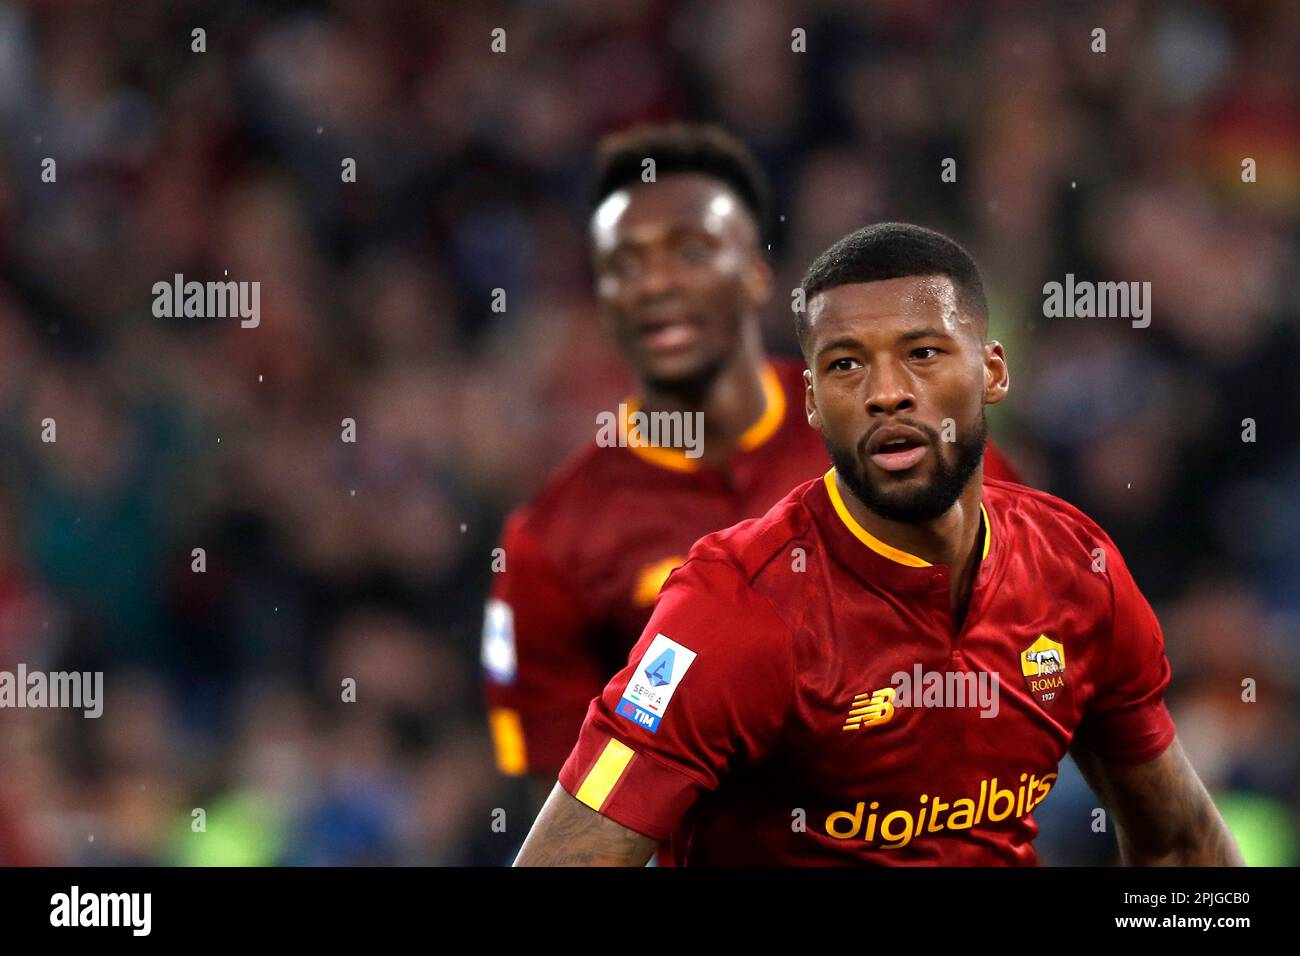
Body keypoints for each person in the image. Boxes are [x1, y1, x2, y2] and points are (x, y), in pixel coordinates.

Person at [514, 222, 1243, 866]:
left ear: (992, 370)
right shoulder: (733, 610)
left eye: (922, 353)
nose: (885, 391)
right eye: (845, 364)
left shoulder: (1076, 571)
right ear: (811, 402)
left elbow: (1179, 849)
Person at [482, 127, 1024, 802]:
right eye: (627, 264)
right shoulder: (550, 542)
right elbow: (569, 806)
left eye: (691, 251)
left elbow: (1026, 631)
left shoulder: (897, 424)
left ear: (756, 276)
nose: (657, 284)